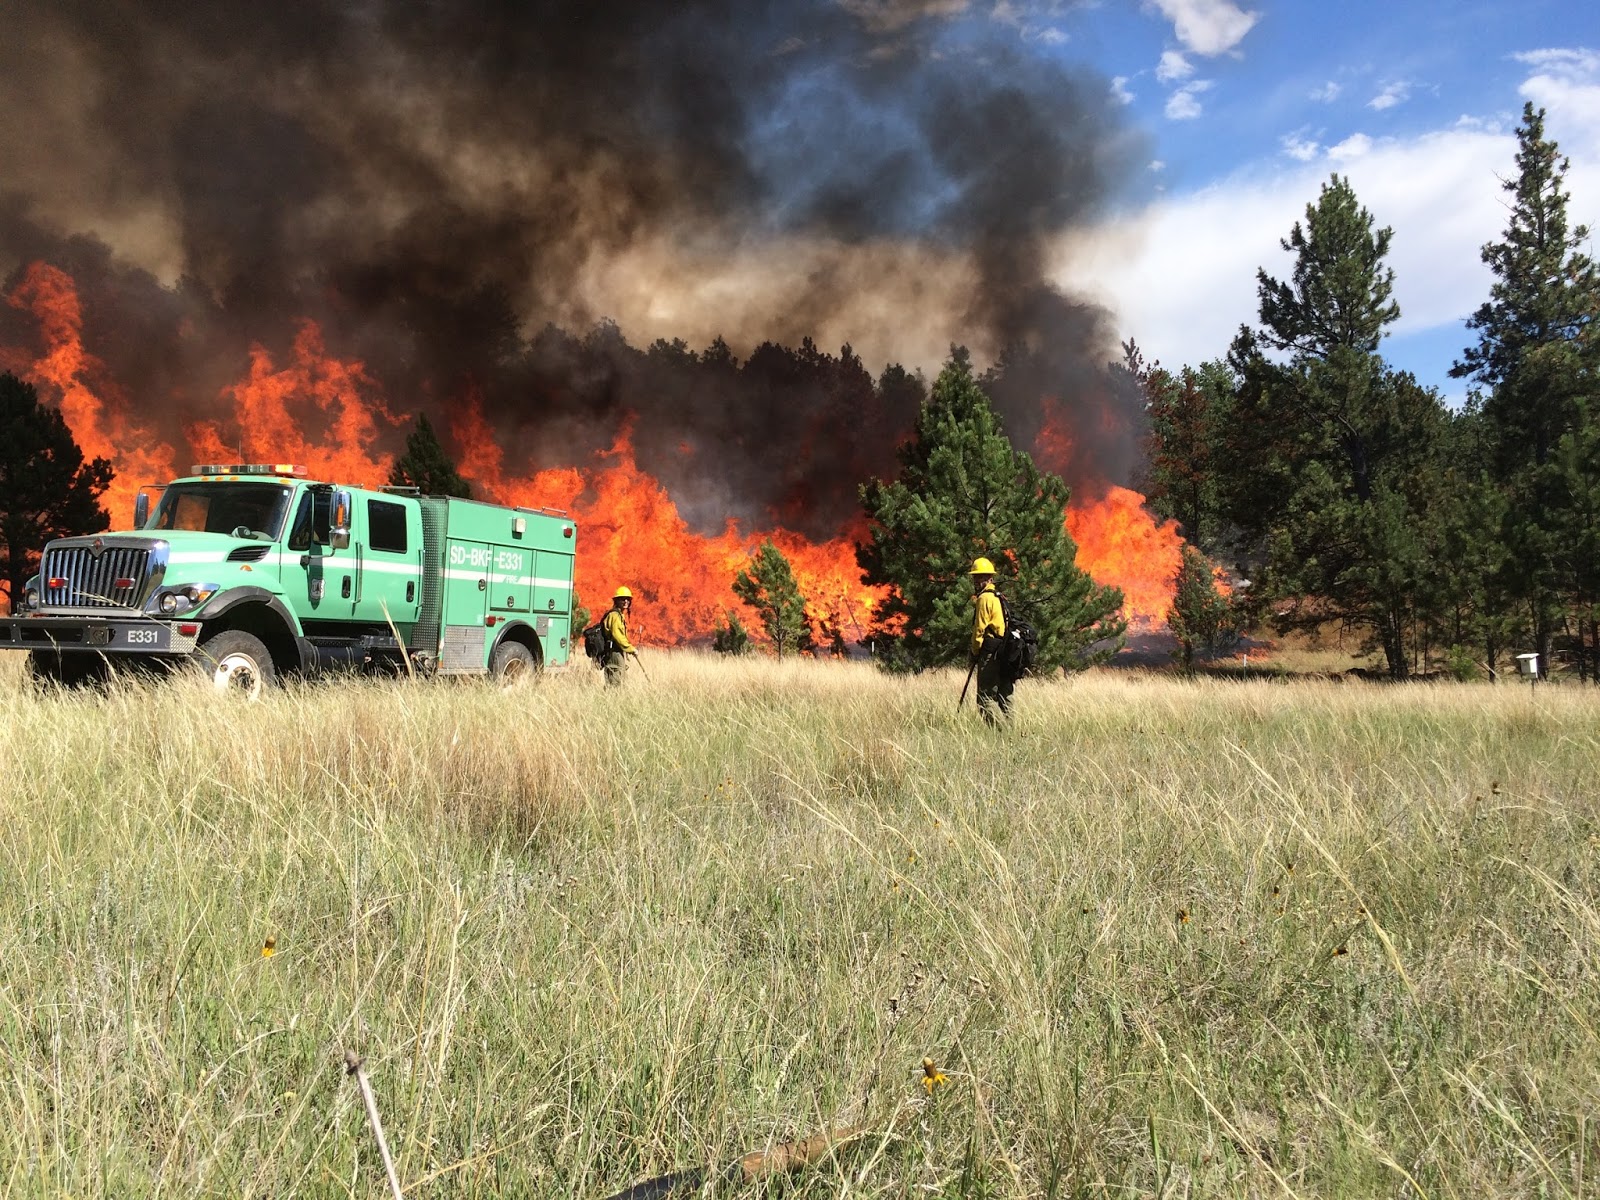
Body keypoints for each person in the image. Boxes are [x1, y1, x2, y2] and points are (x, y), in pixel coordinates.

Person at [969, 557, 1012, 726]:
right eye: (976, 577)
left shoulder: (984, 598)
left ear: (990, 579)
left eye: (981, 577)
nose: (977, 581)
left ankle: (1002, 733)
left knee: (984, 699)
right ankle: (1012, 731)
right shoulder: (999, 596)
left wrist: (975, 651)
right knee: (1004, 695)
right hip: (1004, 650)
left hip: (991, 652)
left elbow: (979, 629)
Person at [602, 586, 638, 687]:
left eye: (628, 599)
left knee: (620, 679)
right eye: (623, 599)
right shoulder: (614, 616)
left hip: (618, 652)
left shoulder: (619, 615)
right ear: (617, 601)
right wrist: (631, 649)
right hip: (614, 652)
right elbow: (618, 636)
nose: (626, 601)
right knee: (615, 682)